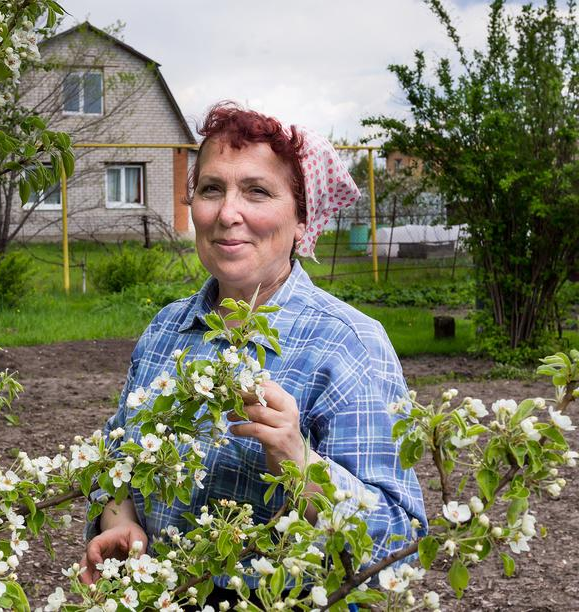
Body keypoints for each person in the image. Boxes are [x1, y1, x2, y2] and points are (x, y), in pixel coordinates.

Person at [79, 102, 427, 600]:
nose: (226, 214)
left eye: (257, 192)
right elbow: (113, 458)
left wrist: (298, 461)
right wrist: (120, 522)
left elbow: (400, 540)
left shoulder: (348, 345)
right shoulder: (166, 330)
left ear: (302, 219)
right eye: (211, 189)